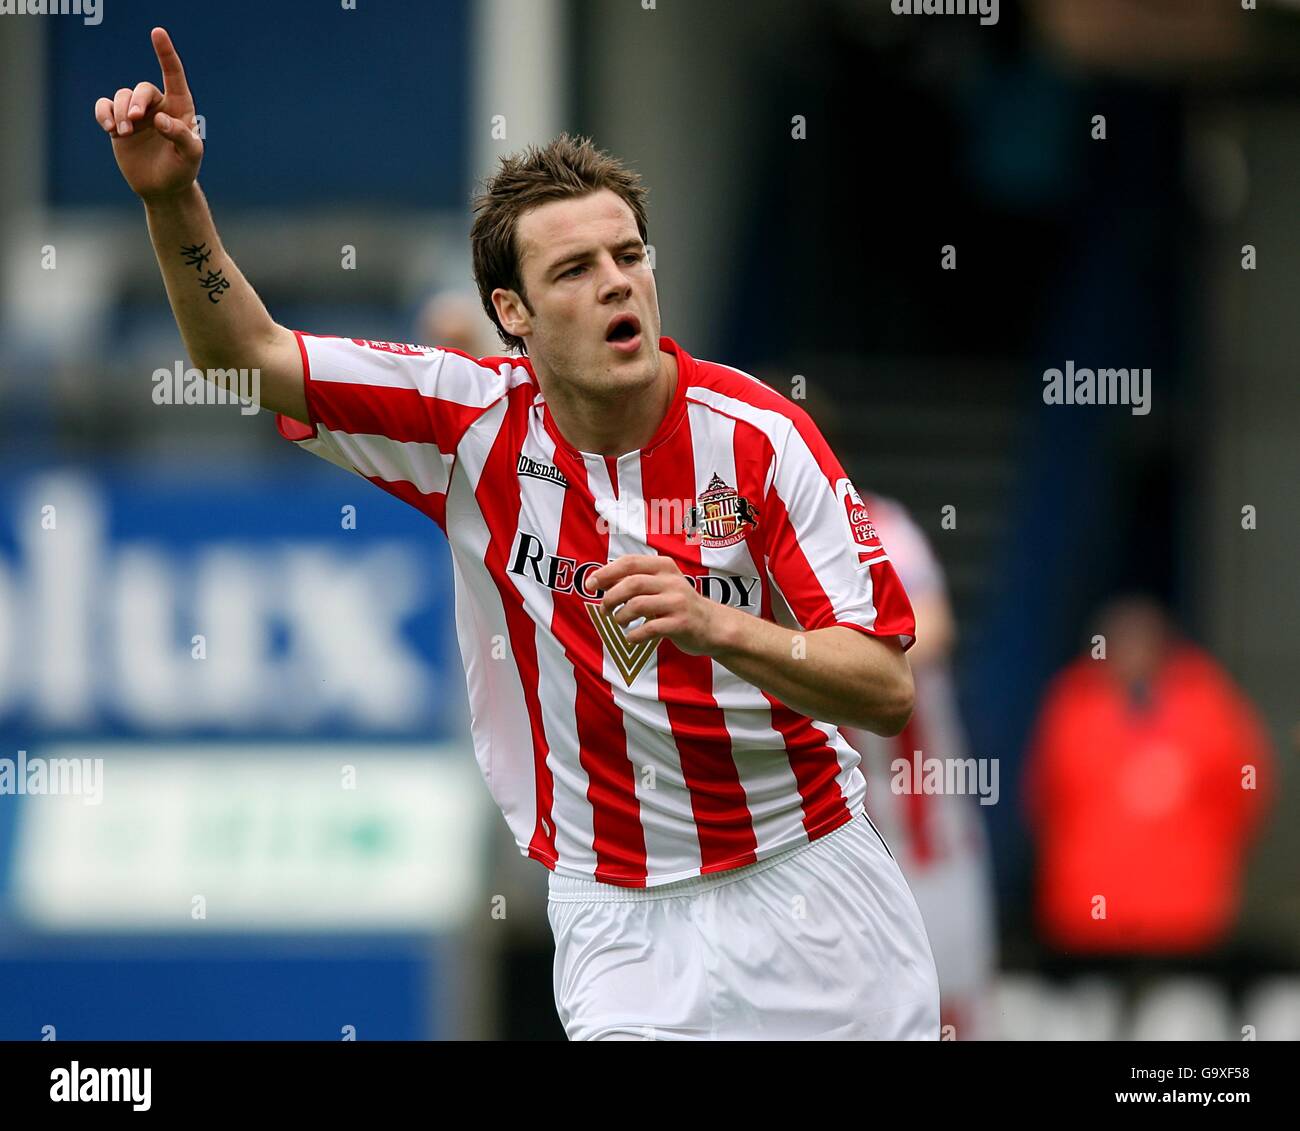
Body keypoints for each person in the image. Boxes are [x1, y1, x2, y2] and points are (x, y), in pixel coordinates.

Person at [95, 27, 939, 1040]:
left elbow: (886, 687)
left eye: (628, 255)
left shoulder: (761, 440)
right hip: (617, 915)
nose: (618, 282)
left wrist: (718, 626)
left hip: (811, 889)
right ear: (513, 312)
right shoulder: (463, 423)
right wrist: (170, 199)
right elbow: (247, 356)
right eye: (575, 269)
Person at [1023, 596, 1275, 958]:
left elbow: (1245, 794)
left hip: (1188, 917)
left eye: (1141, 642)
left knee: (1182, 1011)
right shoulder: (1073, 702)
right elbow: (1045, 798)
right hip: (1088, 918)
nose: (1131, 654)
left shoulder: (1207, 702)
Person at [840, 495, 999, 1040]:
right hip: (825, 832)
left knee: (948, 1008)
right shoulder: (728, 538)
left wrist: (817, 660)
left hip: (922, 828)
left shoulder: (876, 526)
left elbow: (933, 627)